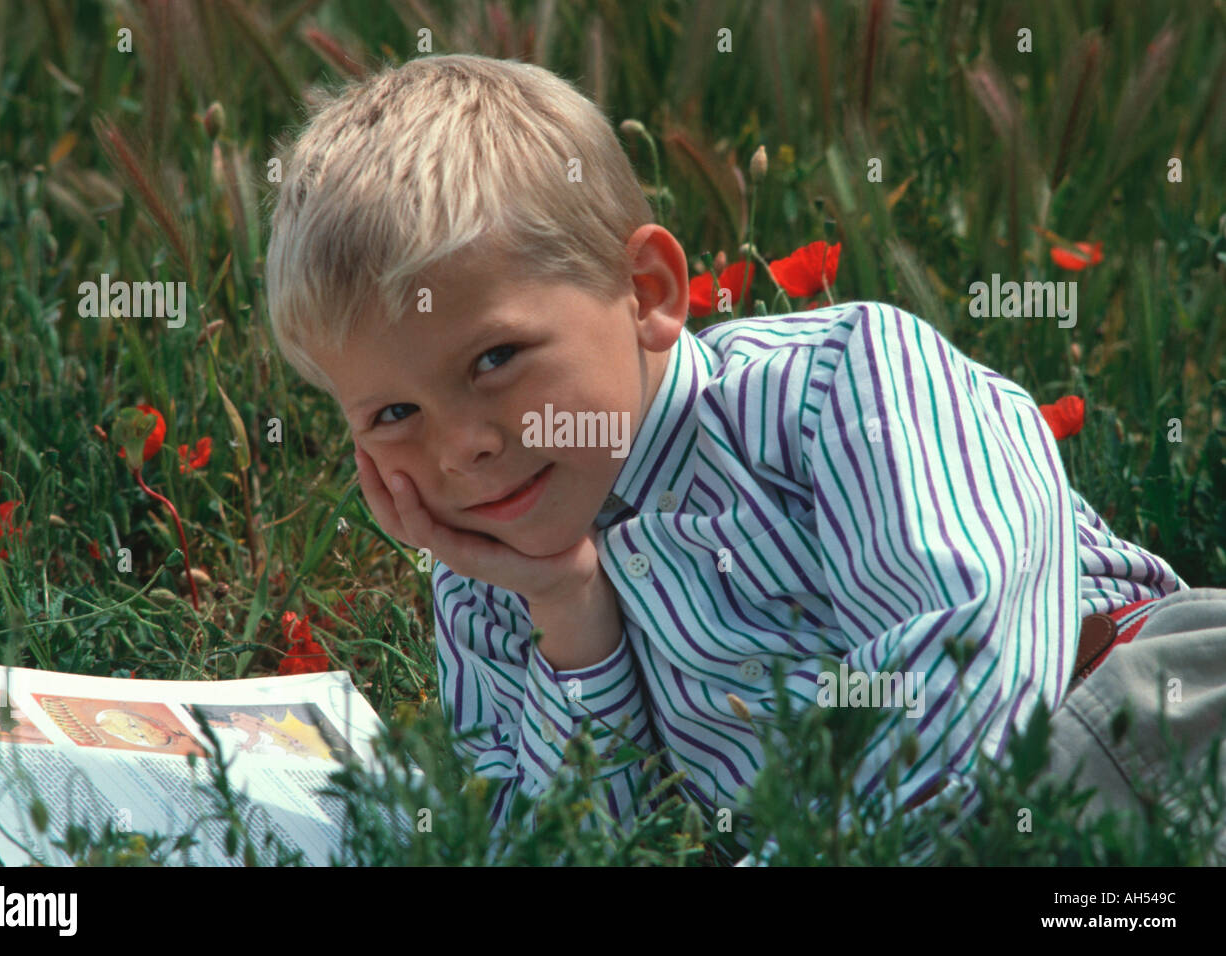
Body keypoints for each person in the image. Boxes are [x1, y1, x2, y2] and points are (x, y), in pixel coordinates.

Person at [264, 53, 1215, 862]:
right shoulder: (481, 581)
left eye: (496, 359)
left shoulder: (842, 386)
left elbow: (966, 672)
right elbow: (558, 840)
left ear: (648, 292)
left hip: (1120, 719)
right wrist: (567, 613)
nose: (462, 445)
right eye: (392, 412)